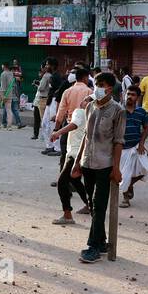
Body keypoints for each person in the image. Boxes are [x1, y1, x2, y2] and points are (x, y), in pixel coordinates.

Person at [71, 72, 125, 265]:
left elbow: (118, 142)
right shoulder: (91, 107)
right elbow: (86, 136)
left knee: (100, 205)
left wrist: (116, 169)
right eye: (97, 84)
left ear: (110, 88)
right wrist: (77, 162)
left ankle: (93, 246)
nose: (98, 88)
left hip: (105, 164)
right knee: (93, 206)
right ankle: (101, 242)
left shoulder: (118, 110)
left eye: (102, 85)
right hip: (87, 163)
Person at [51, 91, 91, 226]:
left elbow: (74, 124)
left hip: (75, 153)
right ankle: (89, 205)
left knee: (62, 182)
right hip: (84, 153)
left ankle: (67, 214)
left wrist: (58, 132)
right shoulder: (94, 115)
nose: (84, 101)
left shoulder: (80, 112)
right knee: (75, 180)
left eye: (87, 100)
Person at [33, 59, 56, 139]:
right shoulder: (50, 75)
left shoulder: (46, 76)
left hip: (43, 99)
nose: (45, 67)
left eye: (46, 65)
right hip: (47, 98)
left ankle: (45, 135)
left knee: (44, 119)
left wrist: (38, 86)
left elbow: (41, 88)